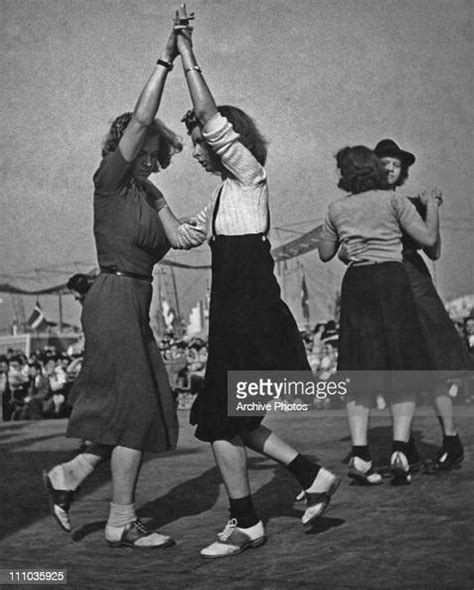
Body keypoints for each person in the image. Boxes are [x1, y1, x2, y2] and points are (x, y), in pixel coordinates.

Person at [154, 8, 339, 559]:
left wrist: (185, 53)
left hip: (250, 310)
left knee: (218, 420)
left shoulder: (250, 176)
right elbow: (186, 238)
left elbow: (209, 113)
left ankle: (247, 522)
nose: (195, 148)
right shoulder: (219, 199)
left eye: (198, 140)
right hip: (238, 310)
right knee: (228, 420)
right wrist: (151, 197)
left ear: (224, 141)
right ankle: (310, 478)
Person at [43, 21, 182, 549]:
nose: (150, 158)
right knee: (136, 409)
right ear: (128, 144)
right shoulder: (110, 180)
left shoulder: (150, 196)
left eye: (155, 153)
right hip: (114, 296)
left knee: (146, 407)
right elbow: (143, 113)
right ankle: (120, 520)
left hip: (133, 301)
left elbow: (182, 239)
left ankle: (73, 475)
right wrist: (166, 59)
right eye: (143, 148)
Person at [340, 139, 468, 473]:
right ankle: (404, 445)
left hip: (413, 285)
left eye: (396, 165)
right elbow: (343, 250)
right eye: (383, 163)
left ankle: (451, 439)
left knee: (433, 367)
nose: (389, 169)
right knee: (393, 368)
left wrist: (433, 206)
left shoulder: (408, 203)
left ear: (403, 171)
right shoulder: (360, 205)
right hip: (383, 289)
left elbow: (434, 249)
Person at [318, 145, 440, 486]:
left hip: (357, 285)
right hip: (392, 281)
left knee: (360, 369)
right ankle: (400, 449)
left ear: (345, 175)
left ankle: (360, 454)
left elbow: (327, 253)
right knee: (403, 366)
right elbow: (428, 239)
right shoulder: (394, 202)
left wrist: (347, 246)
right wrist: (431, 207)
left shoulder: (336, 208)